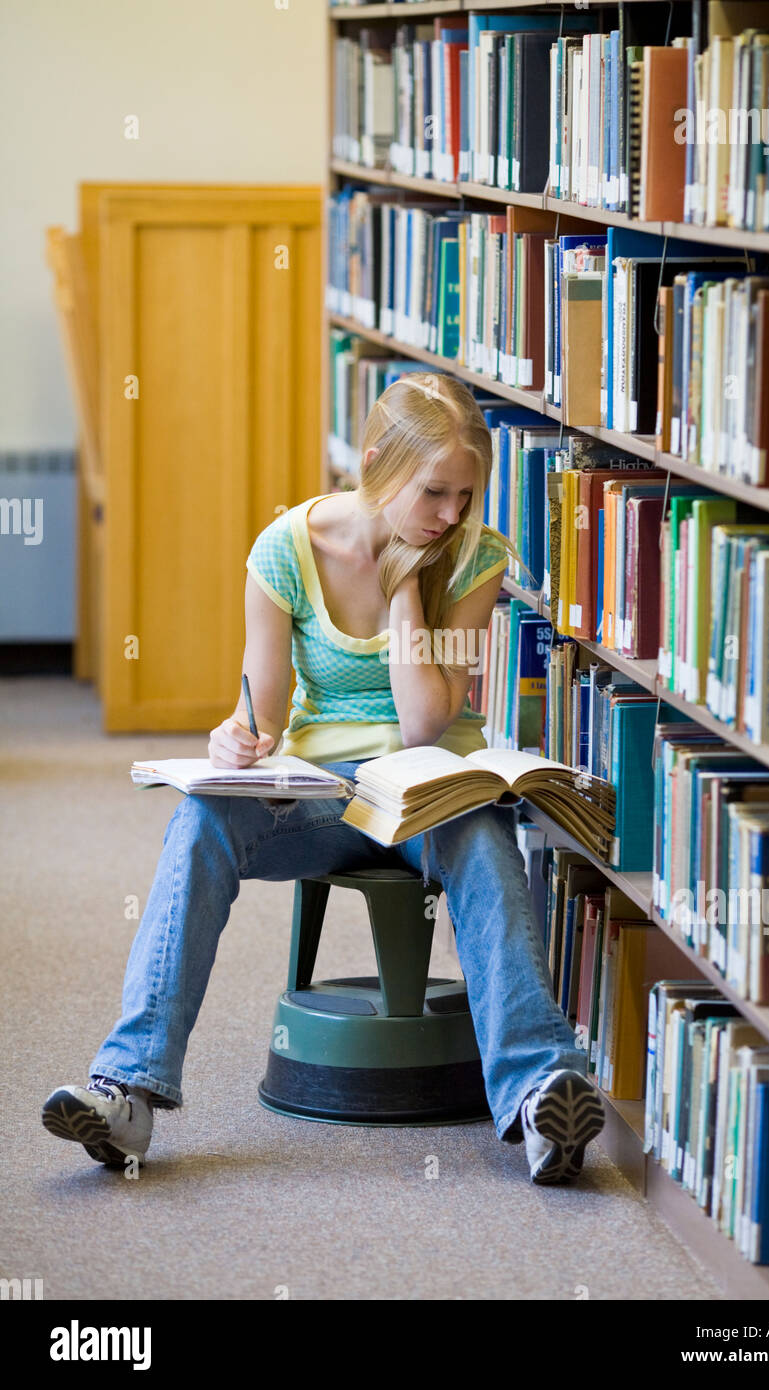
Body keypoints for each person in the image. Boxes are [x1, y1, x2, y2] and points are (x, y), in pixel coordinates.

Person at [41, 373, 604, 1184]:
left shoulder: (476, 558)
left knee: (485, 842)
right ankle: (127, 1091)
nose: (451, 513)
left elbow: (423, 722)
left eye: (466, 494)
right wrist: (234, 739)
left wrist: (407, 575)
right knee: (199, 823)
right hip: (321, 796)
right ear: (375, 463)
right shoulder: (285, 551)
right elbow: (261, 715)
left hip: (428, 789)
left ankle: (542, 1096)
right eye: (434, 492)